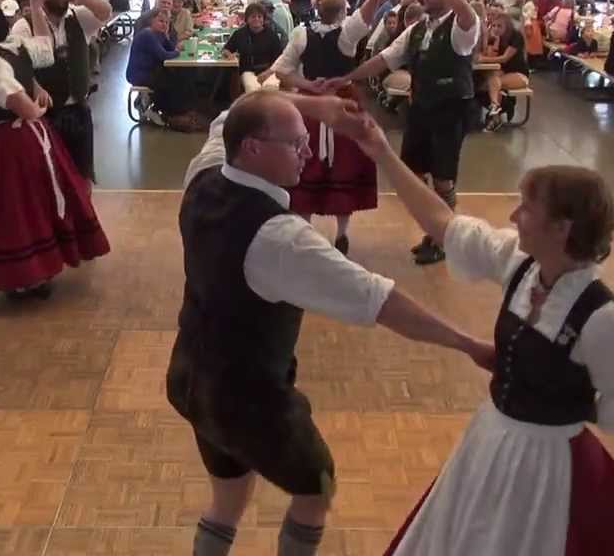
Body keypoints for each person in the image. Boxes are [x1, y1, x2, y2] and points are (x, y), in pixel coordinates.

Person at [170, 89, 491, 556]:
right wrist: (468, 344)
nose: (309, 153)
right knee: (315, 488)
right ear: (255, 149)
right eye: (296, 143)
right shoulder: (281, 239)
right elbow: (382, 302)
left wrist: (316, 108)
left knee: (228, 496)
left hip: (189, 377)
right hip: (247, 400)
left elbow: (234, 111)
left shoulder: (204, 174)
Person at [349, 115, 614, 555]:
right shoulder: (520, 264)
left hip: (549, 466)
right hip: (492, 437)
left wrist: (550, 391)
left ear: (562, 228)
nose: (513, 215)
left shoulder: (609, 321)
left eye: (526, 207)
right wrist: (381, 151)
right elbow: (442, 223)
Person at [0, 0, 109, 298]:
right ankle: (38, 270)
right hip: (31, 137)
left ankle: (21, 274)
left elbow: (15, 95)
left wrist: (35, 105)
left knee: (11, 206)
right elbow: (43, 47)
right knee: (35, 201)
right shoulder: (14, 47)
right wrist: (34, 3)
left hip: (4, 142)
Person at [339, 0, 481, 265]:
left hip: (450, 110)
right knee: (413, 173)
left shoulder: (462, 26)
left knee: (443, 180)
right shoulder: (418, 28)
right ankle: (436, 227)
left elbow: (465, 9)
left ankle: (443, 239)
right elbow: (384, 59)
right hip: (422, 108)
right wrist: (347, 78)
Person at [269, 0, 395, 254]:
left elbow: (281, 70)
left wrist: (307, 85)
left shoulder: (302, 34)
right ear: (342, 12)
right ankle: (342, 234)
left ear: (317, 8)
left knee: (306, 165)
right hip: (343, 103)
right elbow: (372, 5)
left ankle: (305, 233)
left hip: (311, 104)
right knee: (344, 166)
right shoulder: (347, 33)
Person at [18, 0, 112, 180]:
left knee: (83, 177)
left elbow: (105, 11)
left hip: (78, 110)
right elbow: (23, 65)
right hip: (44, 116)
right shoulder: (24, 25)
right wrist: (35, 86)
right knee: (47, 180)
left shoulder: (78, 17)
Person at [125, 8, 180, 126]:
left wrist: (166, 35)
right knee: (171, 82)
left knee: (174, 76)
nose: (164, 24)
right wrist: (177, 52)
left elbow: (170, 48)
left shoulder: (159, 34)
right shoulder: (147, 34)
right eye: (161, 21)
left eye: (166, 22)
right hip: (138, 74)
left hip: (150, 70)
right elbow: (164, 55)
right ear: (151, 21)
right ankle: (154, 110)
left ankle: (160, 108)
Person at [478, 13, 531, 132]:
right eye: (494, 25)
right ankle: (496, 111)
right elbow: (491, 55)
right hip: (502, 72)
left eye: (499, 26)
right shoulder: (495, 37)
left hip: (519, 74)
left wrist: (483, 59)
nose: (496, 28)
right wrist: (494, 40)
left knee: (492, 83)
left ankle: (496, 109)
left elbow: (504, 58)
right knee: (489, 80)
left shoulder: (516, 36)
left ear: (507, 26)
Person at [223, 2, 284, 80]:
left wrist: (268, 73)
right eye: (253, 17)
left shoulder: (272, 35)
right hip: (247, 71)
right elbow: (226, 49)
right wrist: (229, 55)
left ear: (263, 19)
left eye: (259, 16)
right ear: (247, 19)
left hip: (268, 70)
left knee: (270, 88)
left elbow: (279, 59)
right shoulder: (240, 34)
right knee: (252, 88)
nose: (257, 19)